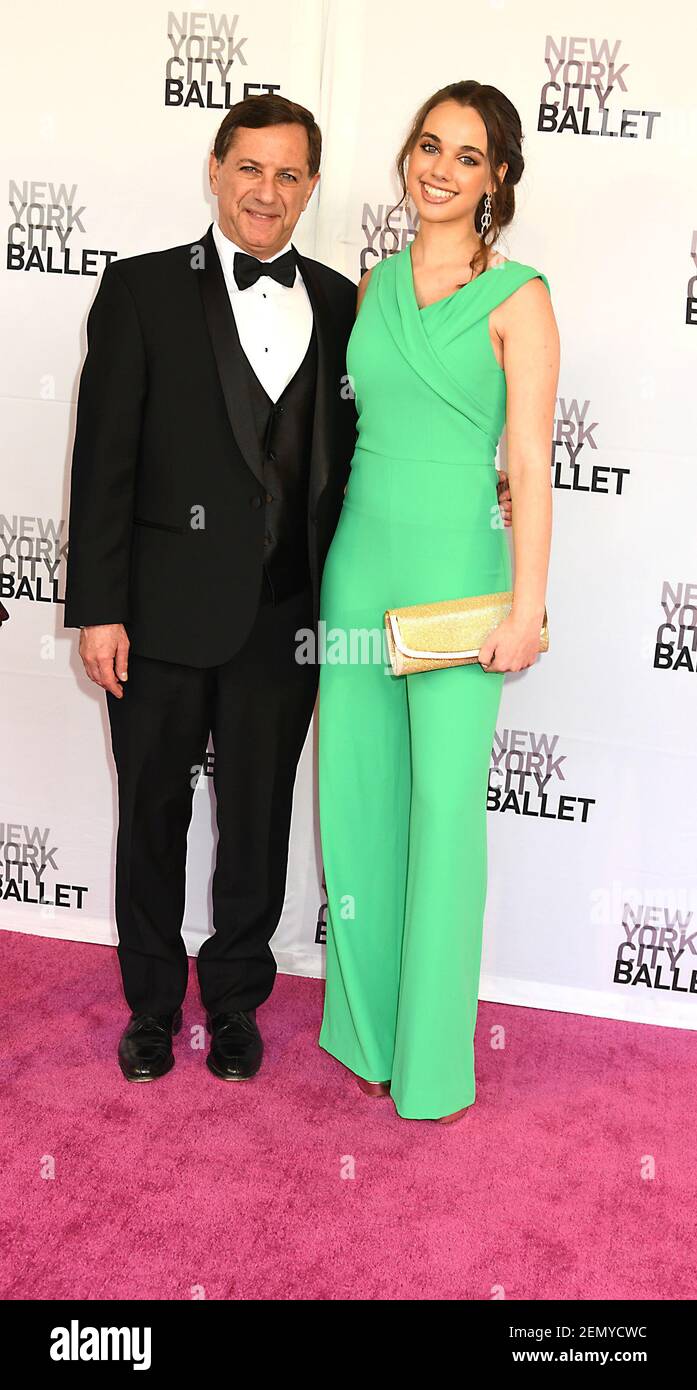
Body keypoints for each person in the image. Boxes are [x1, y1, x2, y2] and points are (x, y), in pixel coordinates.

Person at [63, 94, 360, 1083]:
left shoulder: (340, 299)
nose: (266, 192)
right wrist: (99, 608)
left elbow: (357, 456)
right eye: (250, 168)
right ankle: (150, 1003)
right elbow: (102, 461)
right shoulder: (142, 289)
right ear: (215, 167)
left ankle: (236, 997)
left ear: (310, 186)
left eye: (287, 174)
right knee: (151, 812)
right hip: (157, 615)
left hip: (285, 618)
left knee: (260, 821)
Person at [317, 81, 560, 1123]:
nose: (441, 169)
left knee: (445, 811)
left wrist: (527, 608)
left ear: (497, 177)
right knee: (359, 799)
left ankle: (430, 1062)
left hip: (462, 577)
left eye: (467, 155)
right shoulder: (372, 285)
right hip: (358, 564)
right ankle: (366, 1028)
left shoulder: (522, 297)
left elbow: (532, 466)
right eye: (429, 146)